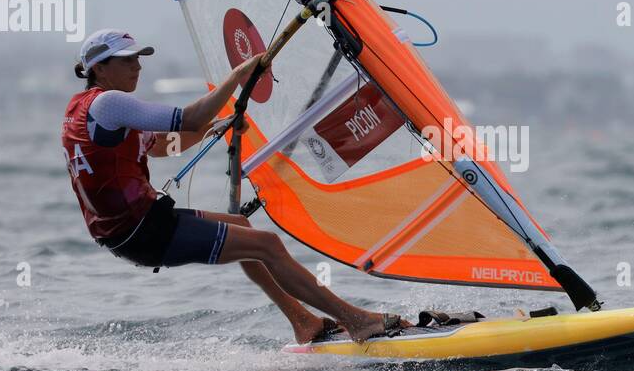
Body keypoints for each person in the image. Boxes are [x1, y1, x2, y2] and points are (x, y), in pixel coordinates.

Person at [61, 28, 408, 343]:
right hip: (146, 230)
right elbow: (189, 118)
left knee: (243, 228)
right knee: (269, 244)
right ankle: (357, 321)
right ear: (99, 69)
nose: (137, 66)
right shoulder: (108, 102)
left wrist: (220, 125)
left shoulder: (87, 110)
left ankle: (304, 321)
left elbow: (168, 145)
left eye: (138, 58)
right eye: (126, 60)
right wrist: (238, 76)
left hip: (130, 231)